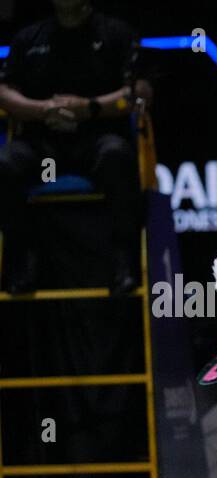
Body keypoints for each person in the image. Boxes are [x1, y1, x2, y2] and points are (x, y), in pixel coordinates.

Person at [0, 0, 151, 295]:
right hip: (44, 153)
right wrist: (43, 110)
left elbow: (139, 94)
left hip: (96, 143)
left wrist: (89, 108)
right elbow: (4, 92)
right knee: (4, 164)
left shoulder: (116, 33)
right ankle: (23, 256)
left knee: (116, 156)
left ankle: (124, 259)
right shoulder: (29, 38)